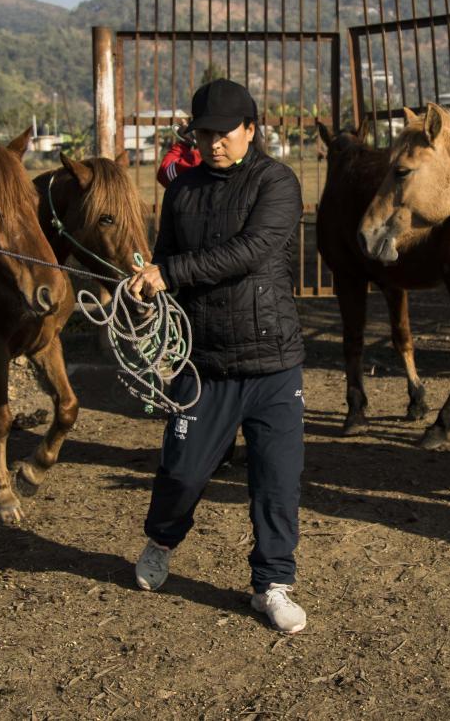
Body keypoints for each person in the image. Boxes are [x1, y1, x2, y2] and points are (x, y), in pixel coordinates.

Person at [128, 78, 308, 634]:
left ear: (251, 129)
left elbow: (252, 251)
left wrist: (171, 273)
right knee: (181, 473)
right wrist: (147, 296)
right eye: (202, 133)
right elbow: (165, 261)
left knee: (276, 480)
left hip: (273, 363)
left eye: (223, 133)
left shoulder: (277, 183)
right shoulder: (181, 191)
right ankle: (160, 541)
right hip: (202, 363)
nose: (212, 143)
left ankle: (272, 584)